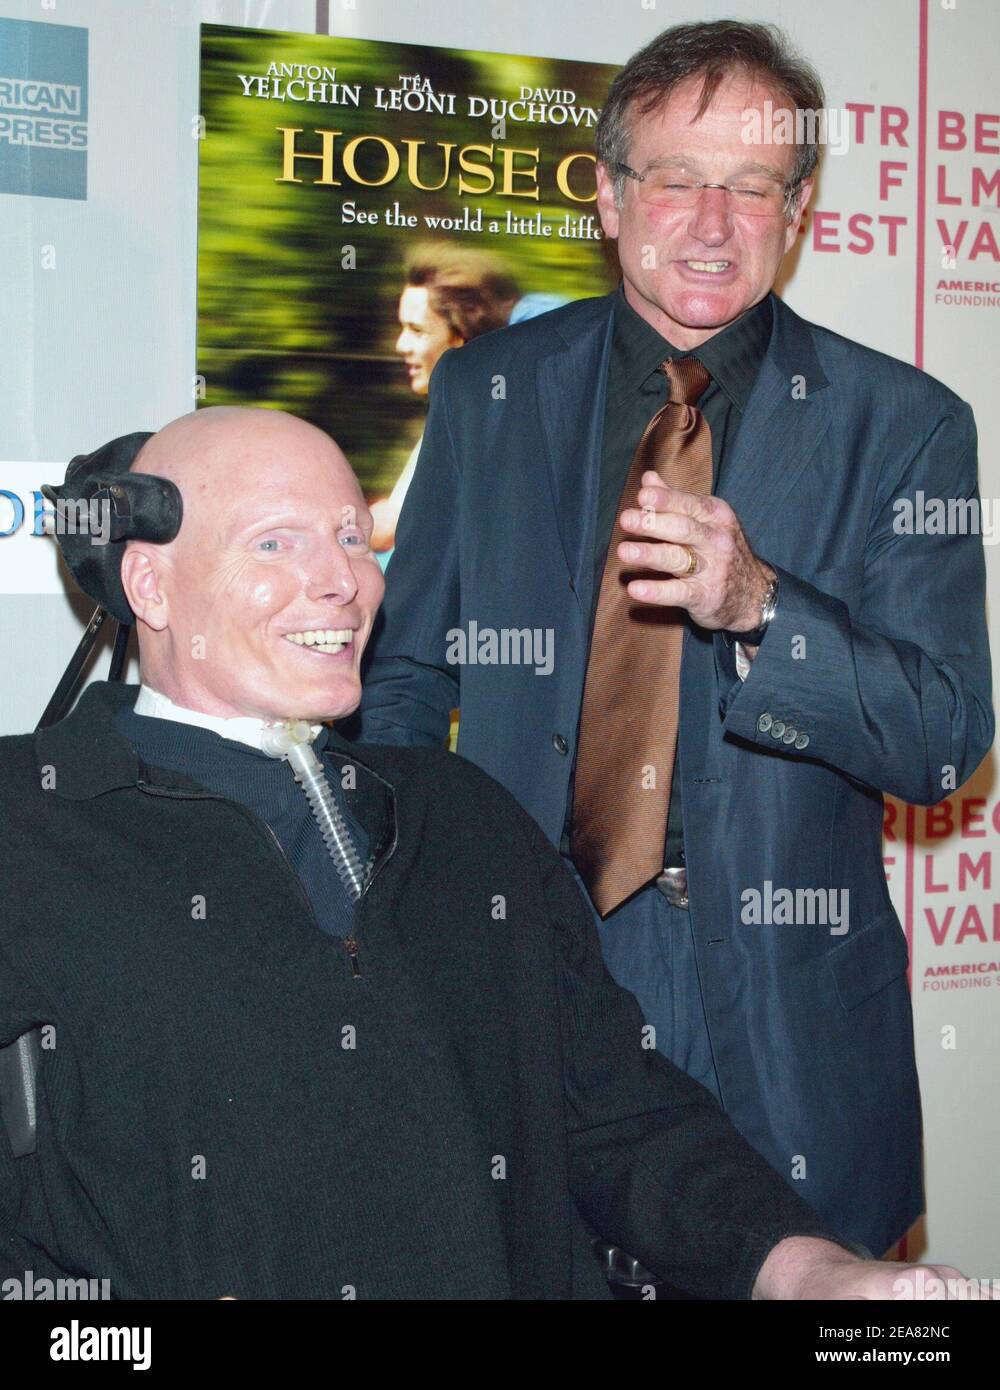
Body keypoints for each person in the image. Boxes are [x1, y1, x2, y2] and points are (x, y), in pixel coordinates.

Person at [0, 406, 981, 1301]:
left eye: (351, 534)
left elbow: (619, 1116)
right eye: (276, 541)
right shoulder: (28, 823)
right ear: (148, 584)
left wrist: (808, 1272)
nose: (342, 579)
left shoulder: (460, 813)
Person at [353, 20, 994, 1256]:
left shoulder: (904, 424)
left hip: (789, 1007)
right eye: (677, 179)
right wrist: (408, 878)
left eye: (753, 186)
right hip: (531, 970)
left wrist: (761, 605)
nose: (713, 222)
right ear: (605, 193)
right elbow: (406, 672)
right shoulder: (490, 391)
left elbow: (941, 742)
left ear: (798, 207)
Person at [369, 242, 520, 560]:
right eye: (402, 328)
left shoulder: (472, 424)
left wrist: (345, 522)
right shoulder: (461, 413)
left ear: (459, 338)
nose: (401, 345)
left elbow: (392, 530)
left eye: (417, 331)